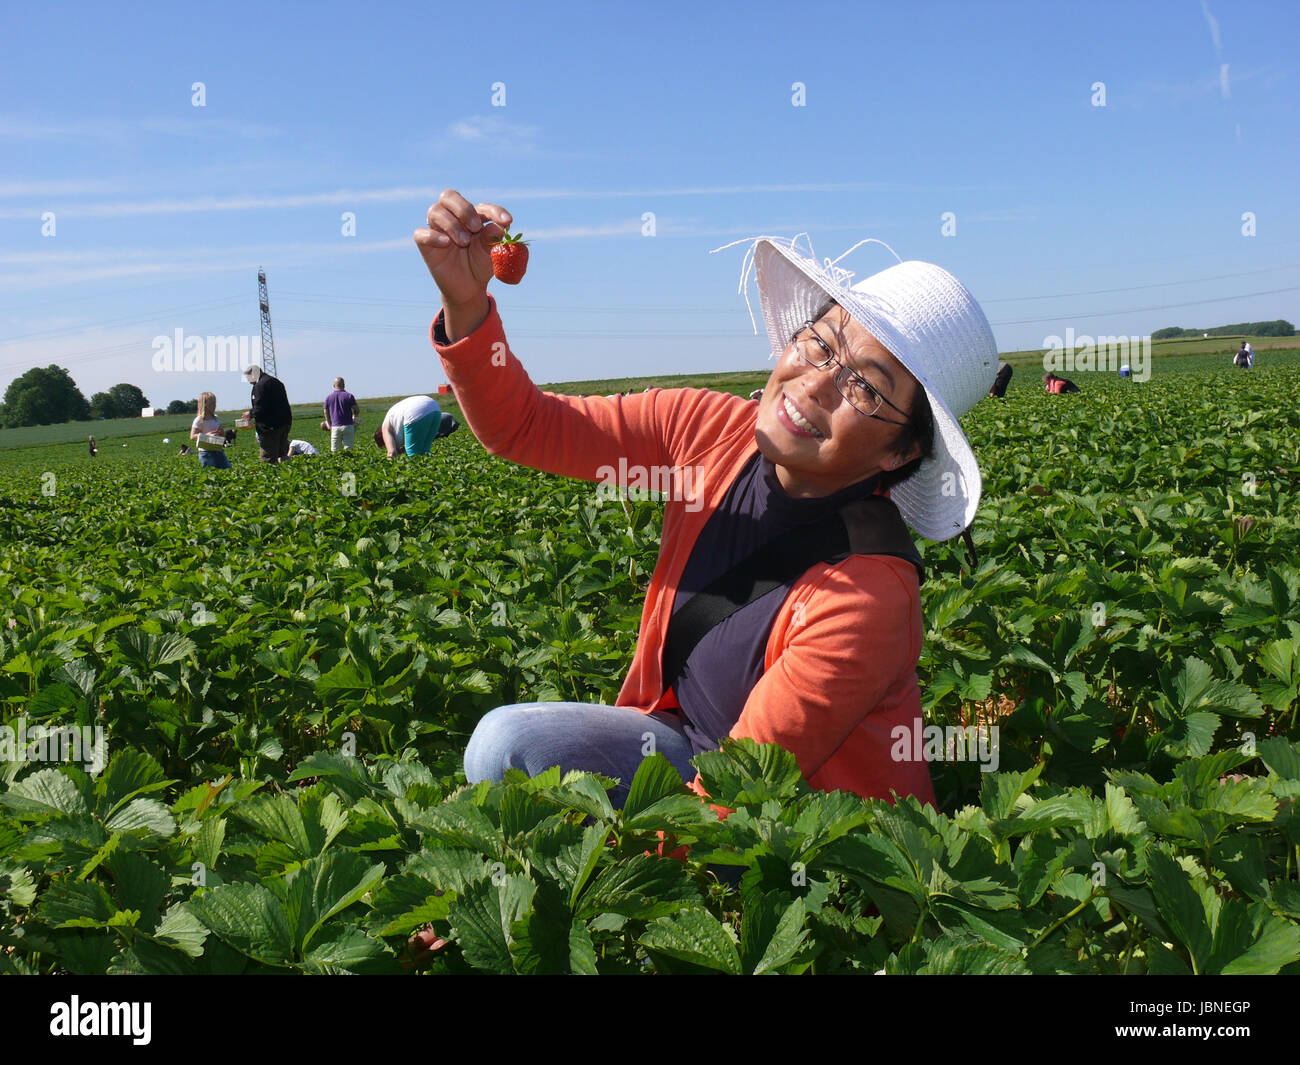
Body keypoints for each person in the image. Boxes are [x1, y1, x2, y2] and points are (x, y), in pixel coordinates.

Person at [416, 189, 999, 810]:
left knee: (527, 761)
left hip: (794, 831)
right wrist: (467, 301)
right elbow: (524, 426)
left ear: (900, 454)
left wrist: (605, 878)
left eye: (864, 386)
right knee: (507, 744)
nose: (817, 382)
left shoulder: (868, 597)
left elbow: (736, 798)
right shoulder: (706, 432)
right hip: (679, 742)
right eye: (822, 343)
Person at [242, 365, 292, 463]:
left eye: (248, 377)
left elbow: (260, 407)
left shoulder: (260, 386)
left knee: (268, 458)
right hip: (284, 423)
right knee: (282, 454)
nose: (248, 381)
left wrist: (250, 414)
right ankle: (289, 473)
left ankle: (271, 476)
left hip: (269, 427)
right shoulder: (277, 382)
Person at [191, 391, 231, 469]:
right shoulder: (199, 420)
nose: (215, 405)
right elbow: (192, 436)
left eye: (215, 403)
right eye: (212, 403)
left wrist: (221, 432)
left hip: (218, 450)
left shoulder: (216, 418)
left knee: (227, 470)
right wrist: (207, 435)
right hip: (206, 452)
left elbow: (222, 434)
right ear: (205, 405)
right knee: (211, 473)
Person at [323, 377, 361, 451]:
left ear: (334, 385)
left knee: (335, 450)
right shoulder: (349, 396)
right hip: (348, 426)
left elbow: (325, 412)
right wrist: (354, 417)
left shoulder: (328, 397)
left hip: (335, 427)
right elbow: (357, 410)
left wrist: (329, 424)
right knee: (349, 449)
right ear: (344, 385)